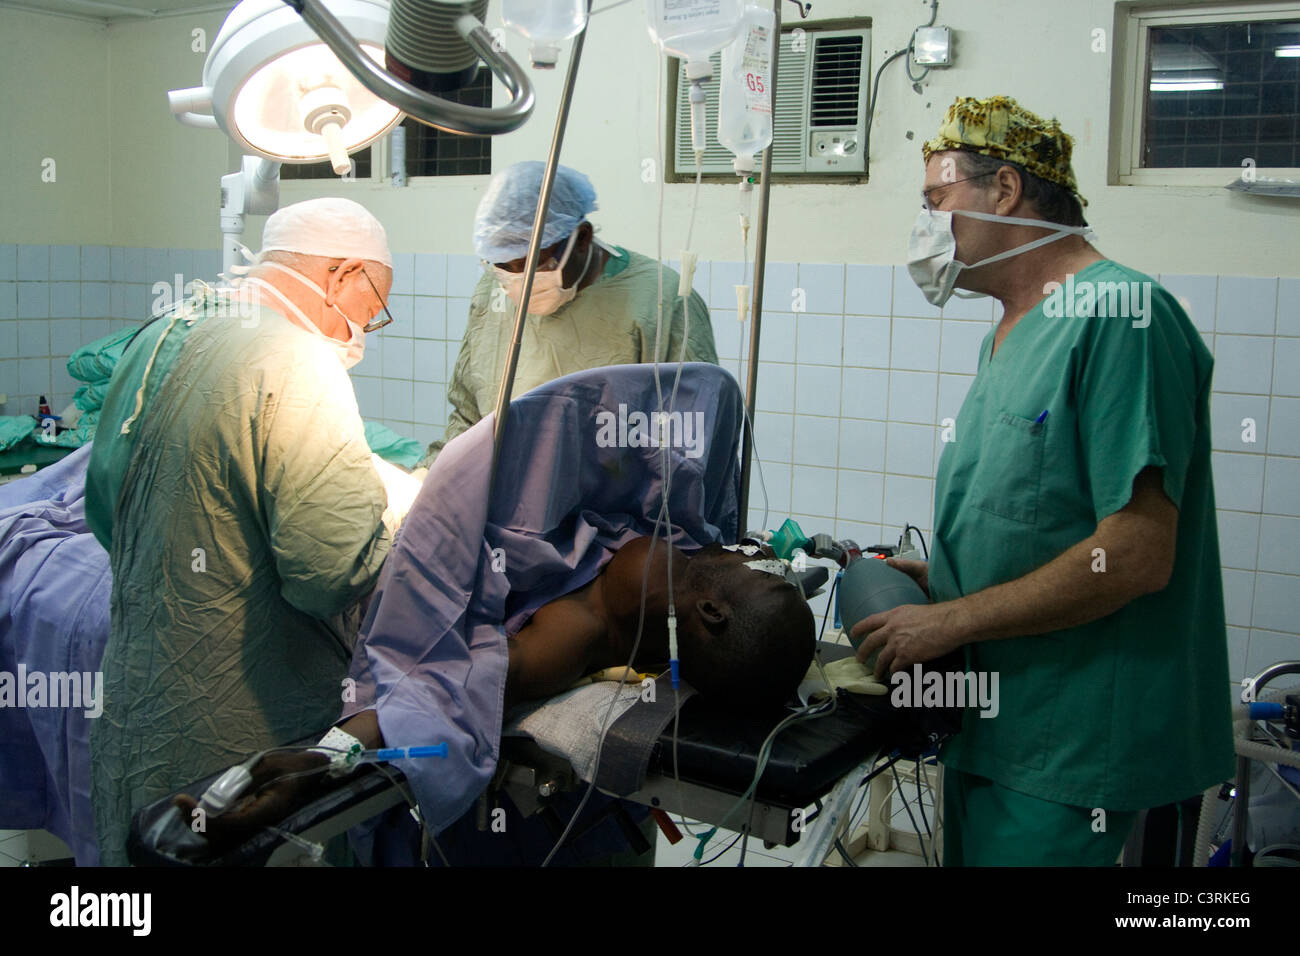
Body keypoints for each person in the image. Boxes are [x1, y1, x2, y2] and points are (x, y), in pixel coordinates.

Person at [852, 95, 1234, 866]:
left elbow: (1134, 552)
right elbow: (1042, 514)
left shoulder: (1122, 316)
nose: (927, 226)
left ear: (1006, 190)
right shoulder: (1012, 332)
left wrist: (953, 621)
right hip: (992, 721)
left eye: (937, 199)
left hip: (1070, 739)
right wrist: (949, 580)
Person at [84, 197, 416, 866]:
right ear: (341, 272)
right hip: (237, 733)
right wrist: (397, 514)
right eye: (371, 304)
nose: (365, 328)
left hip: (134, 712)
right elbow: (330, 574)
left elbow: (105, 508)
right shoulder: (295, 358)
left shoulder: (164, 330)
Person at [174, 537, 815, 855]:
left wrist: (325, 759)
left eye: (758, 574)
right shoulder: (689, 561)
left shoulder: (577, 636)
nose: (756, 558)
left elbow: (443, 687)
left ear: (710, 612)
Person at [416, 162, 719, 469]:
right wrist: (434, 478)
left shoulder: (662, 301)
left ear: (582, 238)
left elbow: (688, 438)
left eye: (538, 264)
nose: (518, 282)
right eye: (505, 267)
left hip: (609, 510)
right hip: (505, 503)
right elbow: (469, 415)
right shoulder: (490, 291)